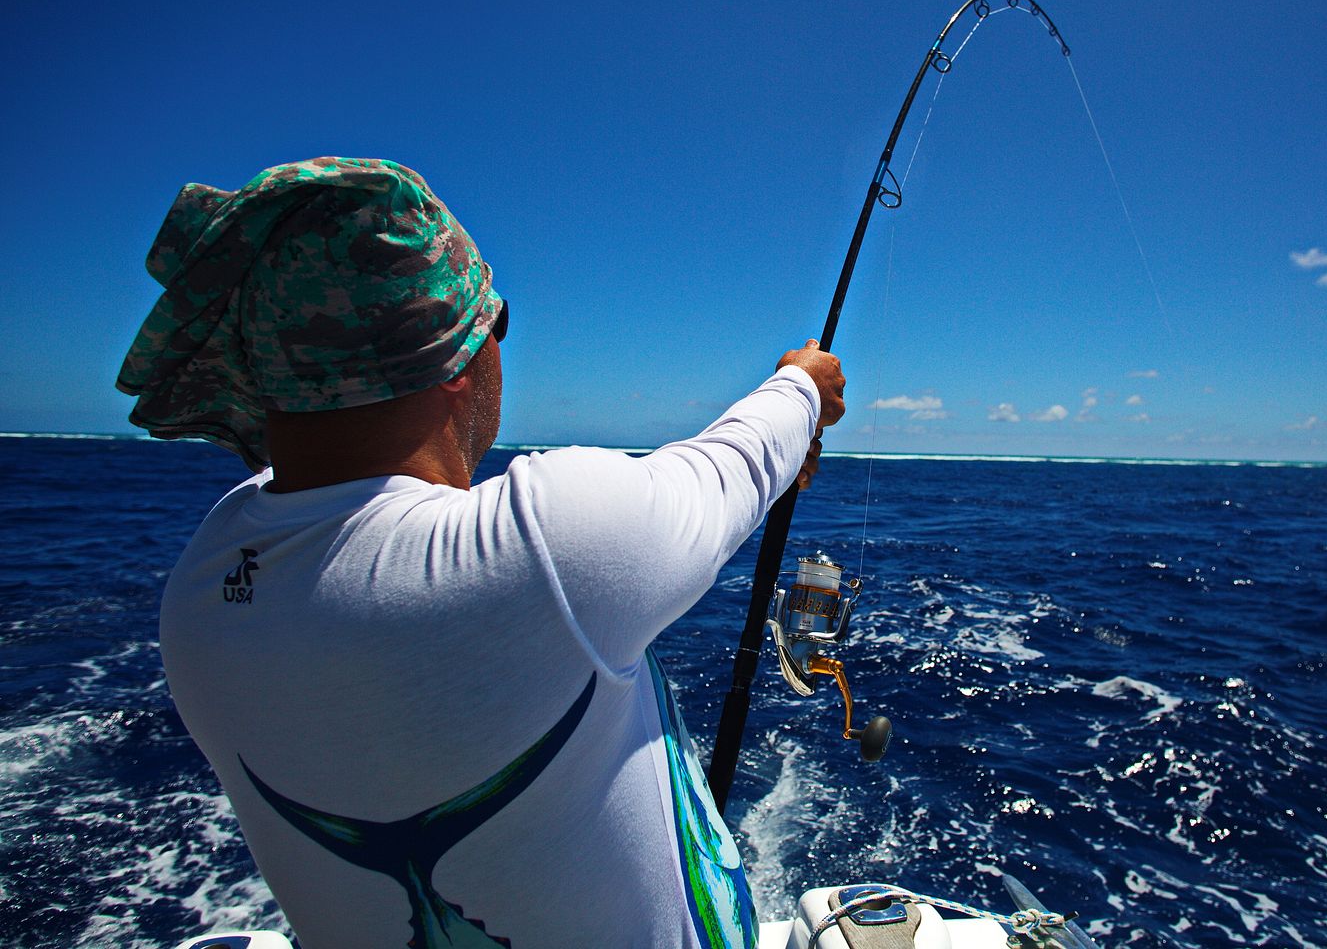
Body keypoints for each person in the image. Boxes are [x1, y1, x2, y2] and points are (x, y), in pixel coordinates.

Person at [117, 157, 846, 949]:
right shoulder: (550, 547)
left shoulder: (201, 587)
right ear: (459, 356)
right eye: (494, 320)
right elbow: (733, 467)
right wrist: (803, 386)